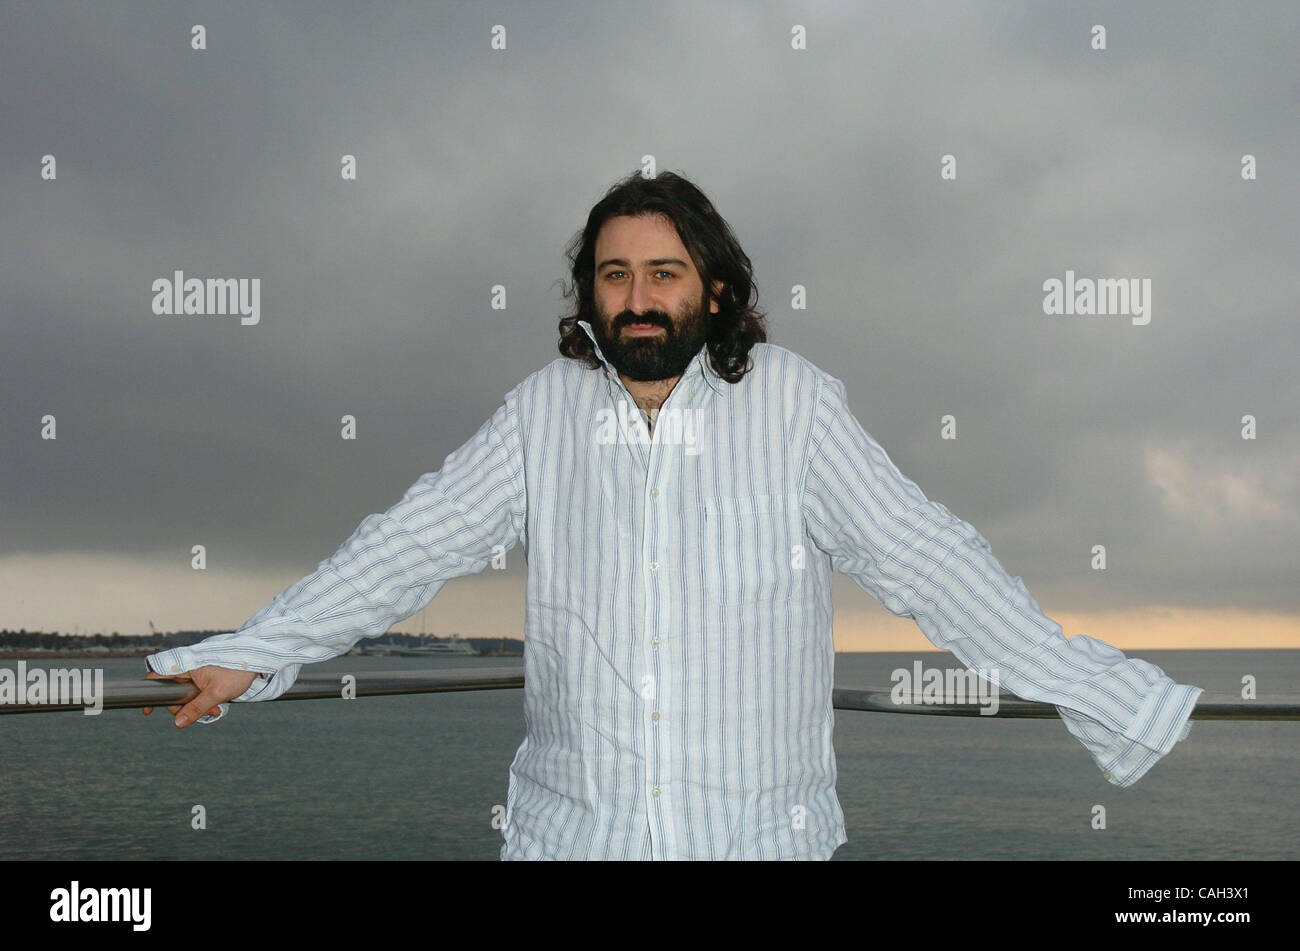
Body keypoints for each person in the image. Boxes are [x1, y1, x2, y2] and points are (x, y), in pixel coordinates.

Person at [143, 169, 1203, 860]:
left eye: (663, 272)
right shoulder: (541, 411)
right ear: (587, 295)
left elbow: (929, 562)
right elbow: (406, 547)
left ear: (716, 287)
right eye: (614, 275)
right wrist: (255, 651)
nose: (637, 296)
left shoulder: (792, 404)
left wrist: (1097, 689)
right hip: (569, 841)